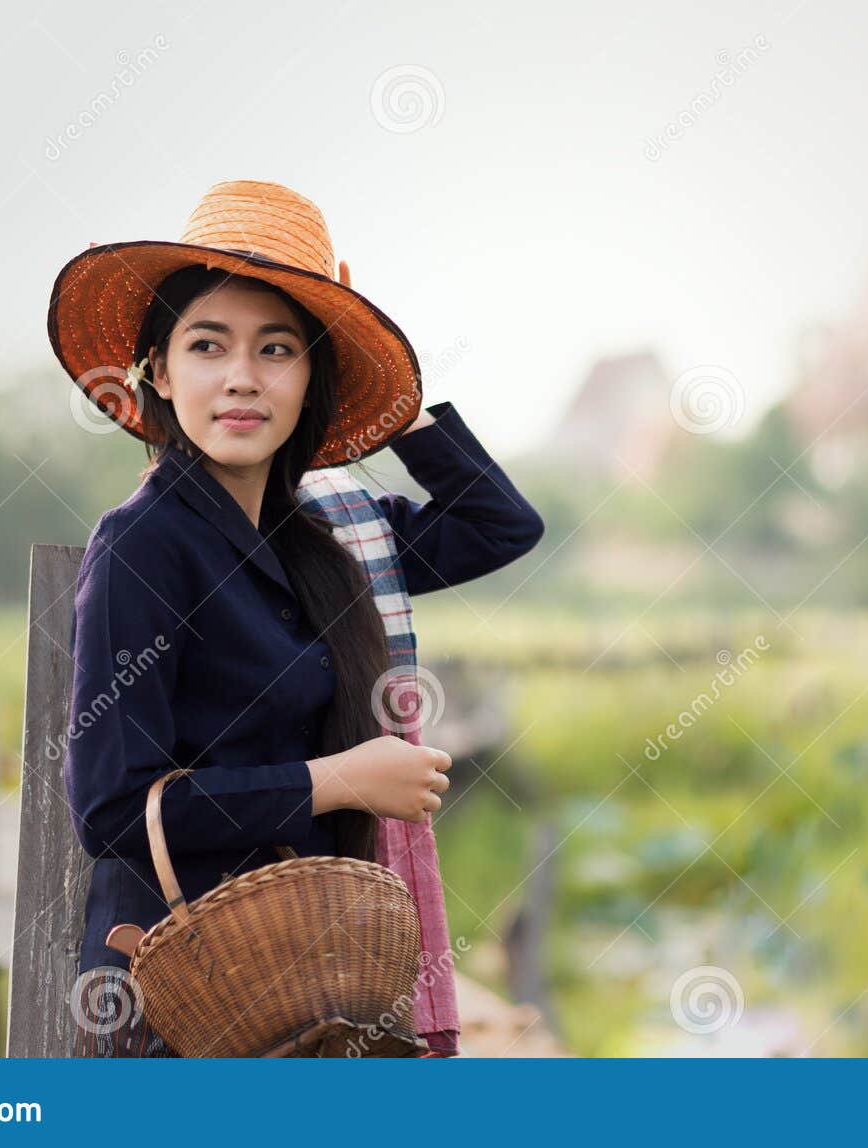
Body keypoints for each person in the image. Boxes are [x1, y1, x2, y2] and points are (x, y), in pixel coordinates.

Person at [46, 180, 544, 1057]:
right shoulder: (142, 547)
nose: (242, 377)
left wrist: (379, 380)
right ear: (157, 371)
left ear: (313, 378)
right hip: (185, 1007)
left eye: (279, 349)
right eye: (208, 345)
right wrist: (340, 780)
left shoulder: (326, 539)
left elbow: (499, 525)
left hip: (315, 993)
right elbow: (114, 810)